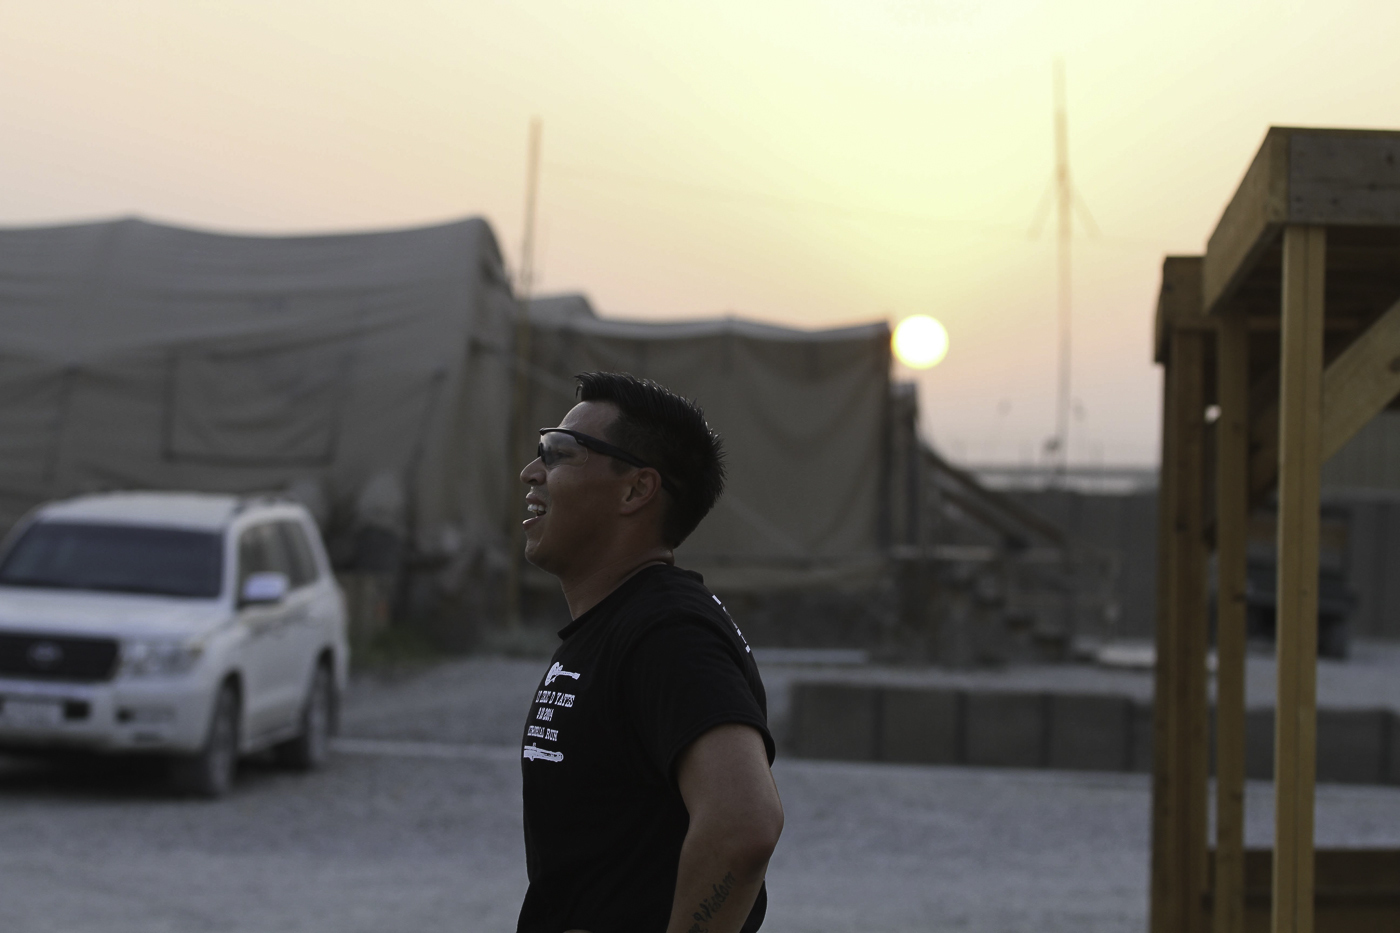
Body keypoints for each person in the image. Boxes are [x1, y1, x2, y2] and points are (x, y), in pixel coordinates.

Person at [515, 371, 783, 933]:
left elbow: (744, 823)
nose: (532, 472)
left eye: (561, 453)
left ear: (637, 489)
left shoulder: (667, 630)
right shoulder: (618, 624)